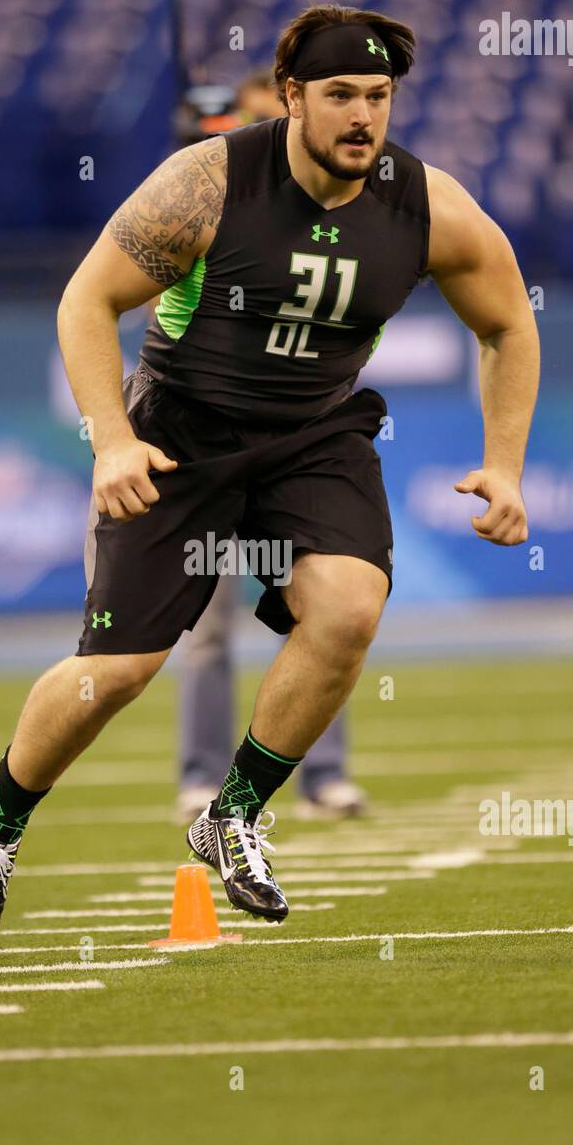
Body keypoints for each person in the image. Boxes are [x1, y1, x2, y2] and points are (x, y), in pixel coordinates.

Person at [0, 3, 538, 949]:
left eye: (378, 98)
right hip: (180, 436)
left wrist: (505, 467)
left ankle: (234, 814)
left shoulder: (432, 207)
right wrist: (110, 441)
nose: (362, 117)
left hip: (313, 435)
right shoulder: (207, 184)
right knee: (117, 674)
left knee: (348, 607)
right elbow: (86, 301)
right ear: (293, 95)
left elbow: (506, 324)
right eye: (339, 94)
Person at [175, 70, 366, 825]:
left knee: (327, 615)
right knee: (209, 628)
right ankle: (200, 776)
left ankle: (322, 773)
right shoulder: (206, 192)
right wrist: (195, 134)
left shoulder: (321, 213)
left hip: (296, 444)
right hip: (204, 442)